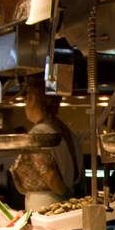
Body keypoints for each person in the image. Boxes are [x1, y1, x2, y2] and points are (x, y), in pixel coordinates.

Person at [10, 76, 80, 213]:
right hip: (62, 202)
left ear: (32, 99)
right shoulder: (66, 130)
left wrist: (66, 197)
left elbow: (50, 176)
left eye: (25, 99)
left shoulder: (38, 134)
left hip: (45, 205)